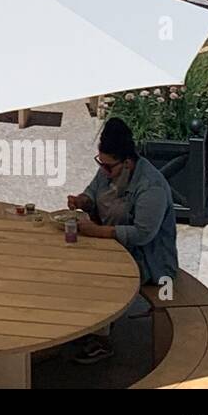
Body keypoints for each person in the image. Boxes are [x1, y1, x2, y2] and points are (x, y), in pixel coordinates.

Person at [64, 116, 178, 364]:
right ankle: (80, 323)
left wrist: (97, 232)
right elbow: (93, 193)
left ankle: (101, 339)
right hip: (112, 245)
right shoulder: (108, 169)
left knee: (100, 275)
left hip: (149, 260)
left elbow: (142, 233)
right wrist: (82, 201)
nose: (103, 170)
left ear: (127, 162)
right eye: (100, 163)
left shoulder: (151, 187)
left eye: (108, 167)